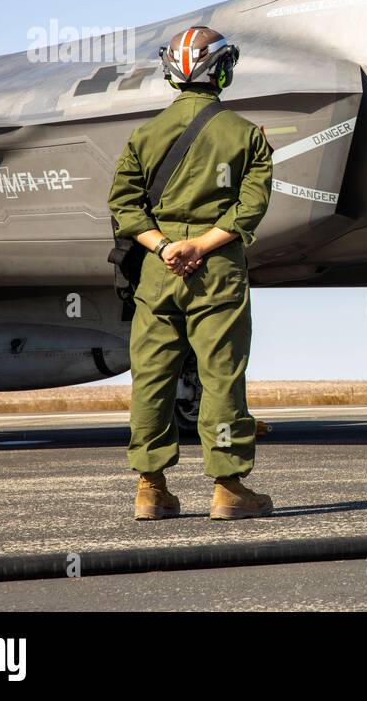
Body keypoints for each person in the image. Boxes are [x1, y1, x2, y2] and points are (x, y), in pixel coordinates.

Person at [107, 26, 275, 521]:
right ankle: (228, 489)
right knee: (221, 375)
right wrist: (201, 244)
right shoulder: (246, 135)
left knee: (152, 377)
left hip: (158, 273)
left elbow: (123, 205)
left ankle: (150, 489)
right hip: (217, 270)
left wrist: (164, 247)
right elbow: (251, 207)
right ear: (221, 70)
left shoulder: (144, 135)